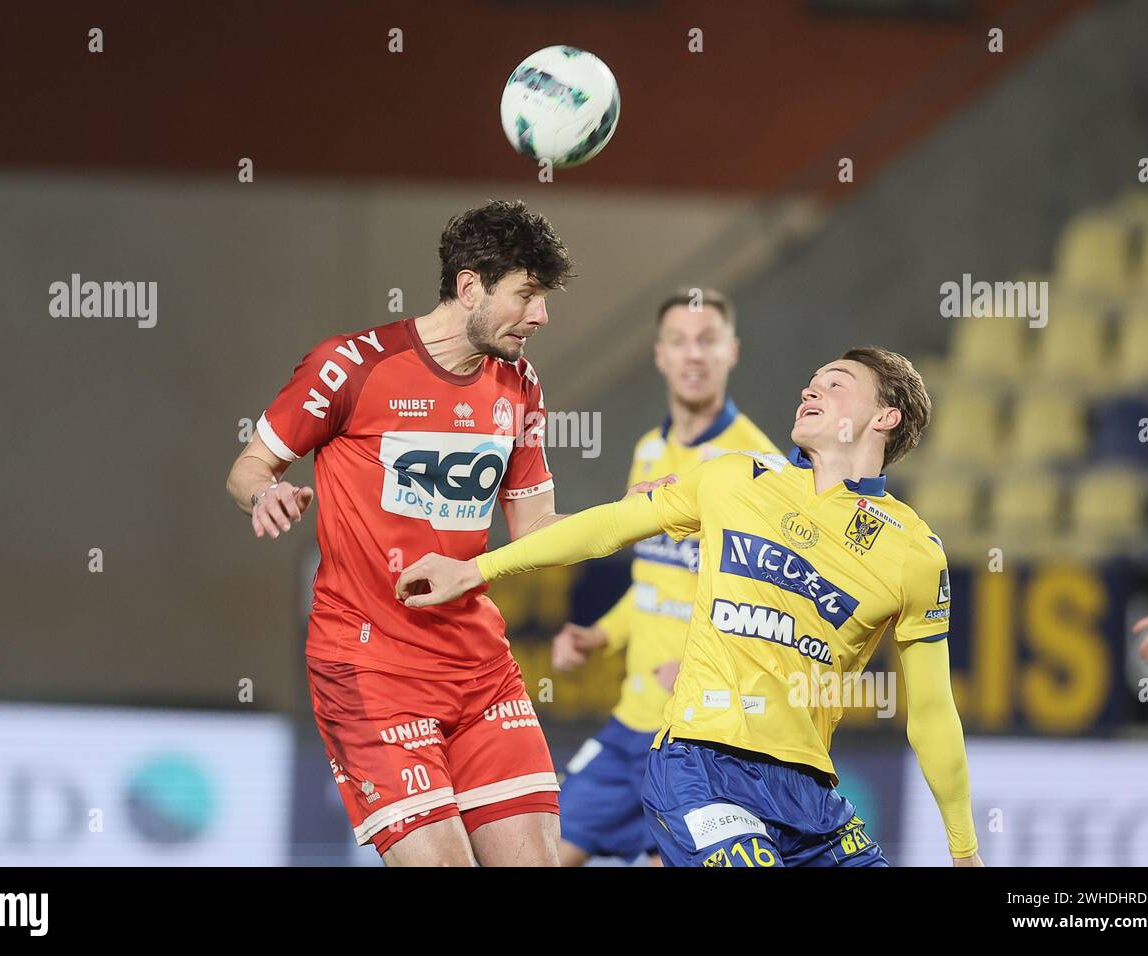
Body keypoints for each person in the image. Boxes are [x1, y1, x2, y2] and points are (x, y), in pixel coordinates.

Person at [397, 347, 983, 867]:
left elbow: (932, 713)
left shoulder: (914, 553)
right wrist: (477, 569)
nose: (810, 389)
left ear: (885, 417)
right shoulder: (735, 479)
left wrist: (964, 852)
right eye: (811, 380)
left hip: (810, 793)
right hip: (699, 766)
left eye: (835, 383)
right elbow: (607, 527)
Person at [226, 200, 576, 866]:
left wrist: (642, 516)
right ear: (469, 286)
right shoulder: (349, 367)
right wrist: (265, 493)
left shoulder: (520, 384)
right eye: (527, 295)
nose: (541, 316)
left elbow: (536, 531)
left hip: (481, 671)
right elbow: (248, 467)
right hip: (368, 670)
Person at [551, 288, 779, 866]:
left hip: (698, 739)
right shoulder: (649, 450)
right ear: (659, 355)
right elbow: (655, 579)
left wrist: (714, 671)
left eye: (707, 341)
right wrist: (599, 635)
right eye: (679, 342)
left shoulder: (757, 467)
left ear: (733, 351)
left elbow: (779, 604)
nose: (693, 355)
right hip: (633, 722)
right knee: (539, 853)